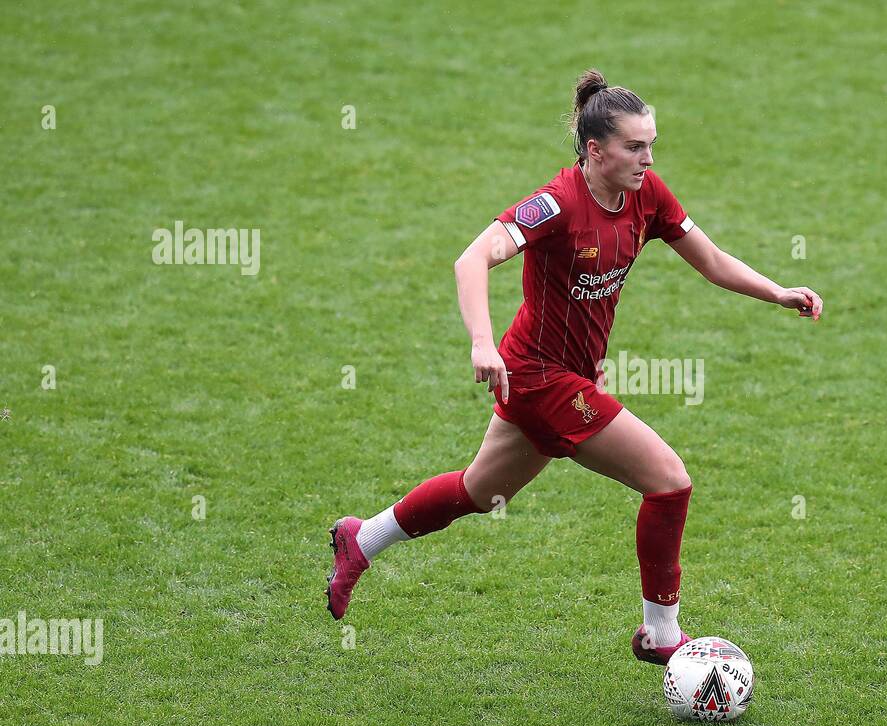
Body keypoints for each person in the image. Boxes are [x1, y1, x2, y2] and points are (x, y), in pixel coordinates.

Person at [326, 69, 823, 665]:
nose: (648, 158)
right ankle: (662, 635)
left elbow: (712, 261)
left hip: (566, 375)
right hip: (538, 375)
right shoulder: (557, 204)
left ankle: (363, 538)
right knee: (669, 481)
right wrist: (481, 343)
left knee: (480, 491)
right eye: (635, 147)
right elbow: (471, 259)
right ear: (596, 151)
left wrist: (778, 292)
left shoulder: (647, 196)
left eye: (651, 145)